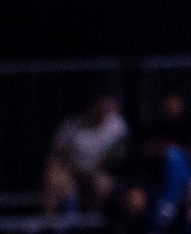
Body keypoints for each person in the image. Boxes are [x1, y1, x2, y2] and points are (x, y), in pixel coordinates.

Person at [42, 95, 128, 227]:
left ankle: (93, 225)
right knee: (53, 177)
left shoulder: (117, 127)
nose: (104, 111)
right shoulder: (73, 124)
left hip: (98, 171)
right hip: (72, 171)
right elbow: (56, 154)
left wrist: (102, 167)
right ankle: (51, 225)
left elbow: (121, 155)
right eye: (100, 107)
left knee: (103, 185)